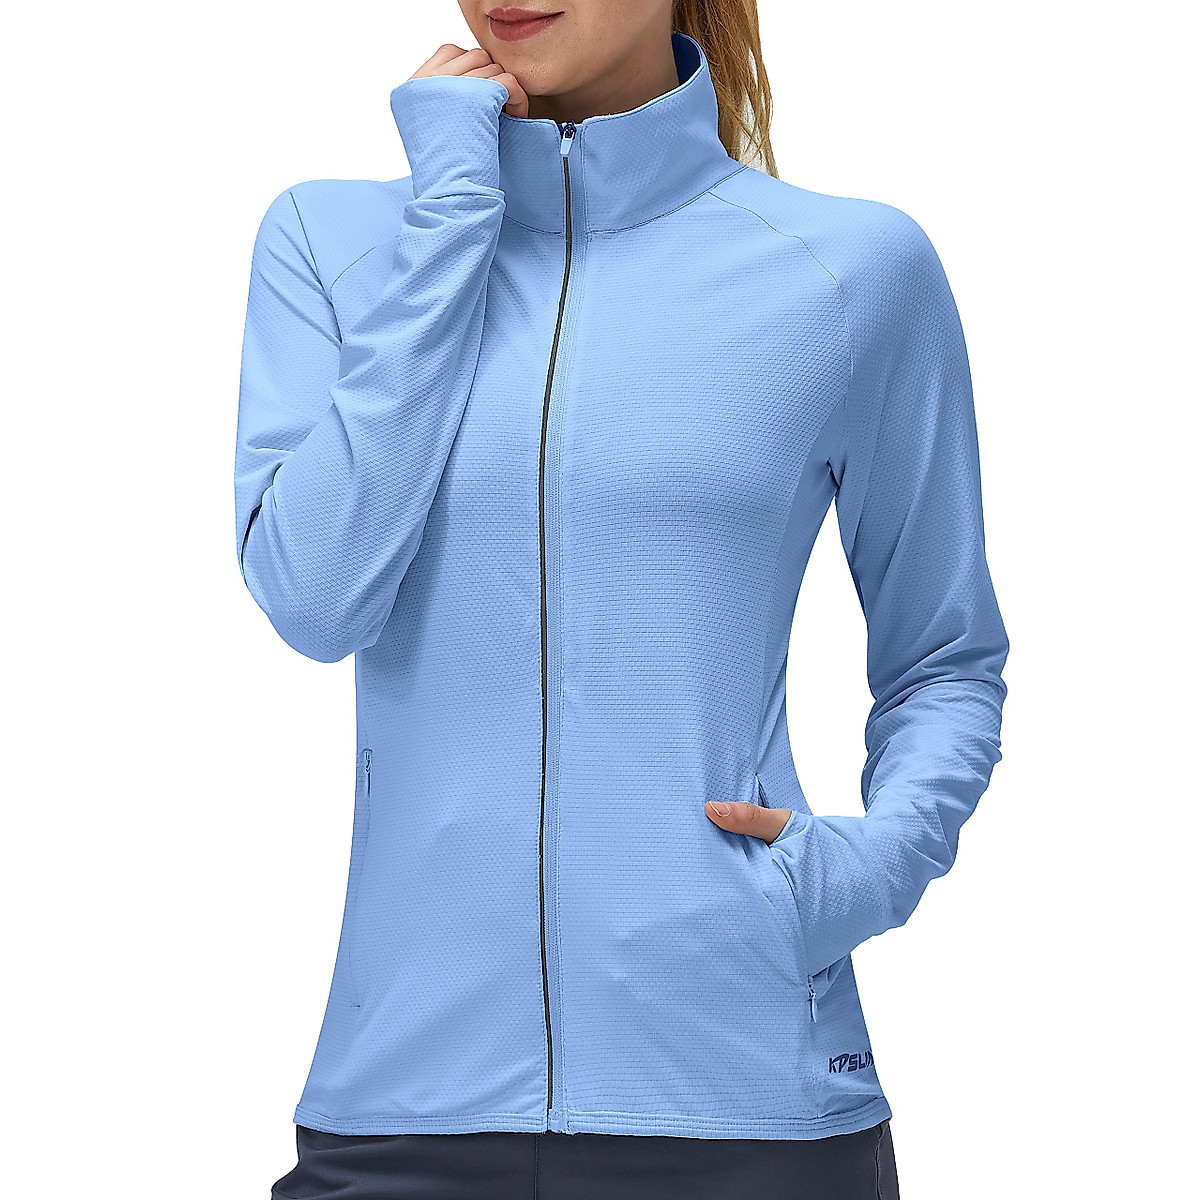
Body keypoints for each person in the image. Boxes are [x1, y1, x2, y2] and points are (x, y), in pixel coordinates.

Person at [233, 1, 1009, 1196]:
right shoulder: (334, 242)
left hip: (748, 1106)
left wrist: (873, 865)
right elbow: (315, 596)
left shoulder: (850, 270)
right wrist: (452, 214)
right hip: (402, 1108)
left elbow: (943, 659)